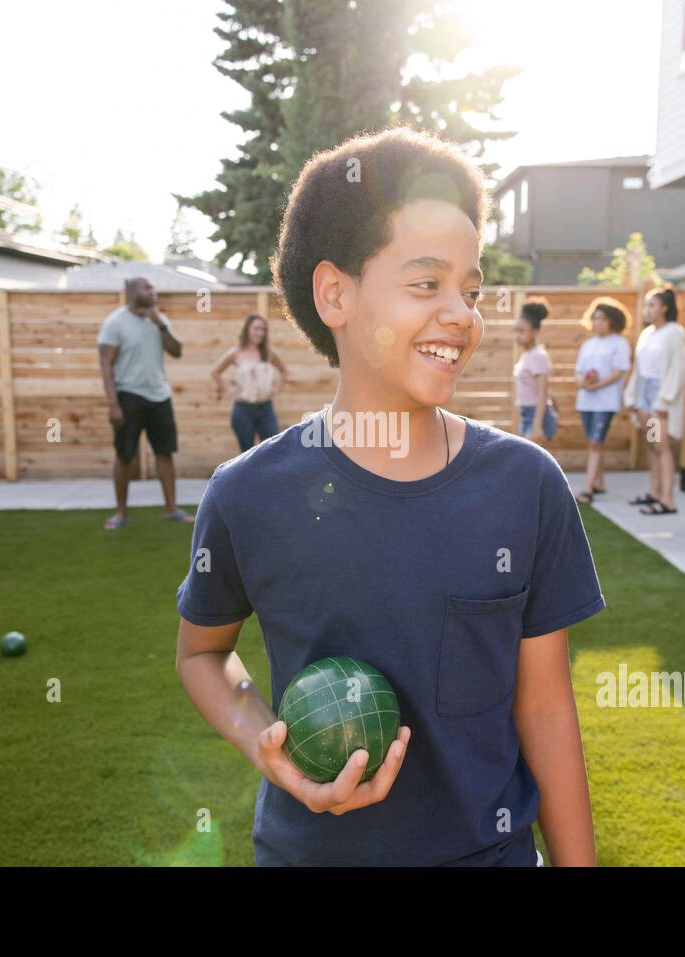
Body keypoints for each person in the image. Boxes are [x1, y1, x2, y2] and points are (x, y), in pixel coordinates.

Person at [174, 126, 605, 867]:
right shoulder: (246, 495)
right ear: (335, 293)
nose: (463, 314)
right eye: (426, 283)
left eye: (471, 290)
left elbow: (545, 706)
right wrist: (265, 744)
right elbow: (202, 656)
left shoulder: (526, 486)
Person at [97, 276, 192, 529]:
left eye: (153, 287)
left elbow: (177, 351)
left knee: (165, 452)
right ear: (131, 292)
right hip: (128, 396)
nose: (153, 291)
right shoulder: (114, 323)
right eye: (147, 288)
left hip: (160, 396)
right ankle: (120, 513)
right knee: (125, 455)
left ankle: (171, 509)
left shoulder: (159, 319)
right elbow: (105, 364)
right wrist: (113, 404)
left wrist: (159, 323)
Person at [622, 286, 685, 515]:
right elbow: (639, 370)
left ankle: (668, 500)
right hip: (644, 394)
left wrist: (664, 401)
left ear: (665, 307)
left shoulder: (674, 332)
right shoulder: (647, 333)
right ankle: (655, 492)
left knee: (662, 446)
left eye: (652, 304)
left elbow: (678, 369)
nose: (647, 309)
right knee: (651, 444)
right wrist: (632, 397)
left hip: (660, 395)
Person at [573, 297, 632, 504]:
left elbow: (619, 371)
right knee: (594, 442)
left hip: (605, 401)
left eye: (603, 319)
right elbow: (579, 372)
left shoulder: (620, 343)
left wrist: (596, 385)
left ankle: (588, 488)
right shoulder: (588, 344)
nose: (598, 323)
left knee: (595, 442)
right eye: (595, 318)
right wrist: (583, 382)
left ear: (613, 321)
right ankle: (599, 482)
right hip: (586, 401)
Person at [211, 314, 290, 453]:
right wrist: (229, 389)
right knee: (247, 453)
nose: (260, 333)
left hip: (266, 409)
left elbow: (284, 371)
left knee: (273, 449)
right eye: (256, 328)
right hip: (243, 410)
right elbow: (215, 372)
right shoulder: (235, 353)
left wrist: (275, 388)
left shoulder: (268, 353)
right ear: (247, 329)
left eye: (263, 329)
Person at [513, 298, 559, 445]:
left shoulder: (538, 356)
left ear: (535, 331)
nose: (517, 335)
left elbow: (543, 393)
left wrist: (537, 425)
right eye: (516, 331)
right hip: (526, 414)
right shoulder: (526, 355)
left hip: (536, 416)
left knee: (531, 464)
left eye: (522, 331)